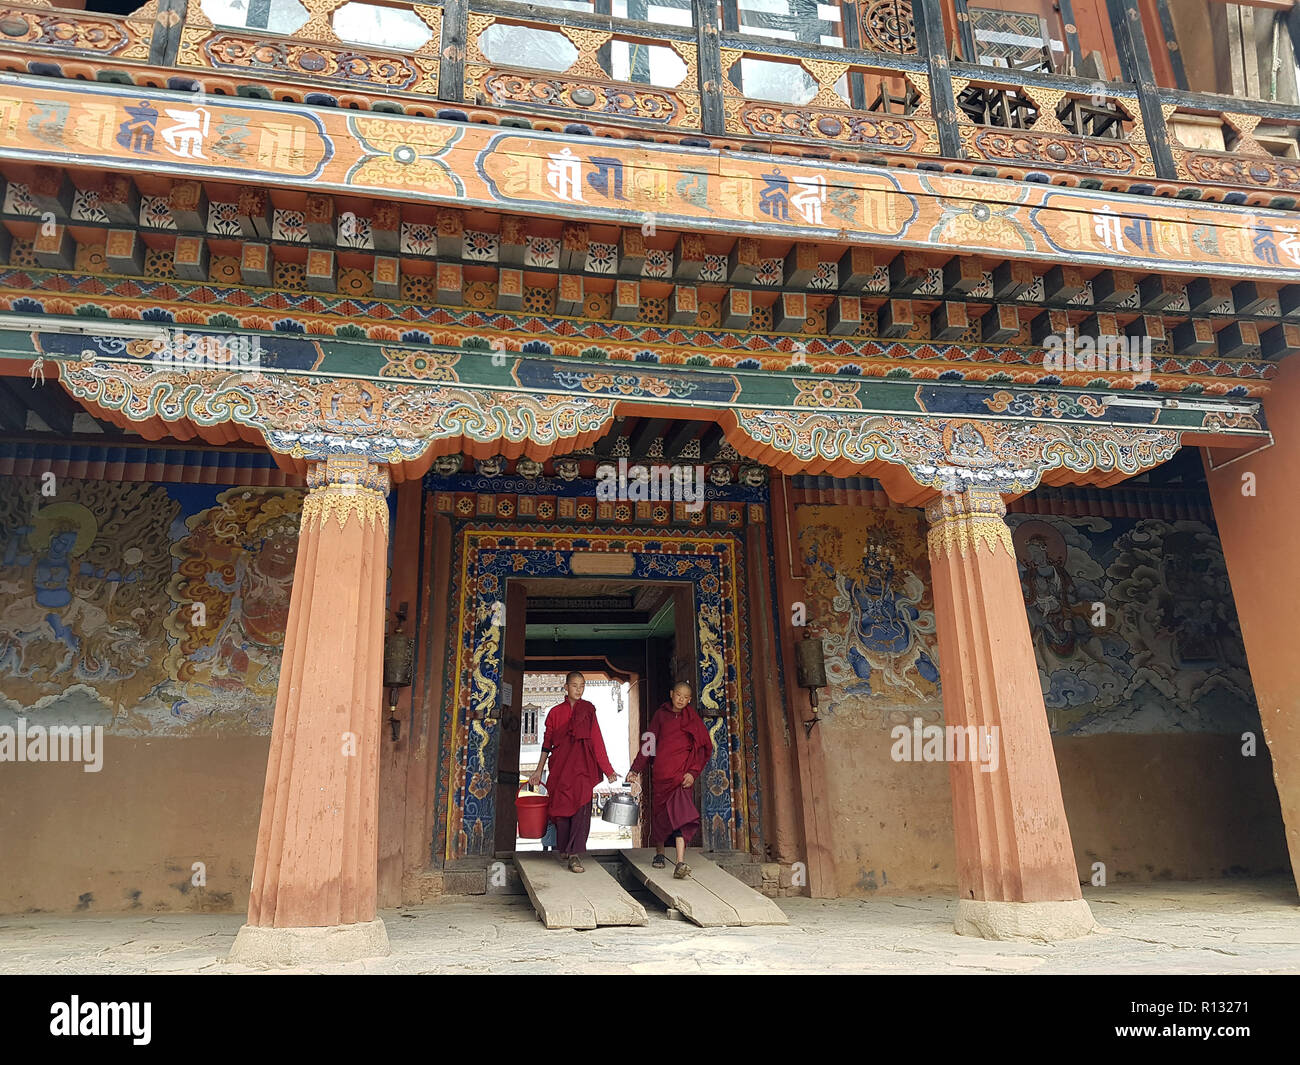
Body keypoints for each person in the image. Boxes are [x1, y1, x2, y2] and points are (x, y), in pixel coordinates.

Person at [528, 671, 617, 873]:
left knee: (581, 811)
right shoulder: (555, 713)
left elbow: (597, 742)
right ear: (566, 688)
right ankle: (564, 849)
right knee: (560, 812)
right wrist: (538, 769)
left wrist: (608, 769)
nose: (579, 689)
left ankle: (575, 855)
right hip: (560, 769)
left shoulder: (588, 711)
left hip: (583, 771)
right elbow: (547, 744)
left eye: (582, 686)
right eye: (575, 685)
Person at [625, 681, 712, 880]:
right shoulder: (660, 716)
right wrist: (635, 769)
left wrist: (693, 772)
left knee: (682, 817)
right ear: (672, 694)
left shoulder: (693, 719)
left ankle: (680, 862)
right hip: (662, 775)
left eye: (685, 697)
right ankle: (660, 853)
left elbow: (704, 748)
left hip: (682, 778)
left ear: (690, 700)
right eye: (678, 695)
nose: (681, 699)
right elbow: (648, 744)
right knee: (660, 816)